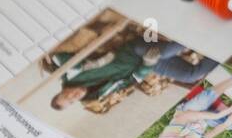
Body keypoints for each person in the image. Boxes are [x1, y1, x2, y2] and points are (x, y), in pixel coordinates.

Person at [51, 37, 217, 110]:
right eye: (72, 101)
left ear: (63, 89)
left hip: (134, 50)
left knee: (171, 49)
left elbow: (56, 56)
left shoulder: (69, 74)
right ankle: (222, 51)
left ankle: (206, 27)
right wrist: (146, 66)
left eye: (67, 95)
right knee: (191, 76)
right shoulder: (97, 94)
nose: (74, 96)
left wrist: (87, 65)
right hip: (146, 63)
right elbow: (130, 81)